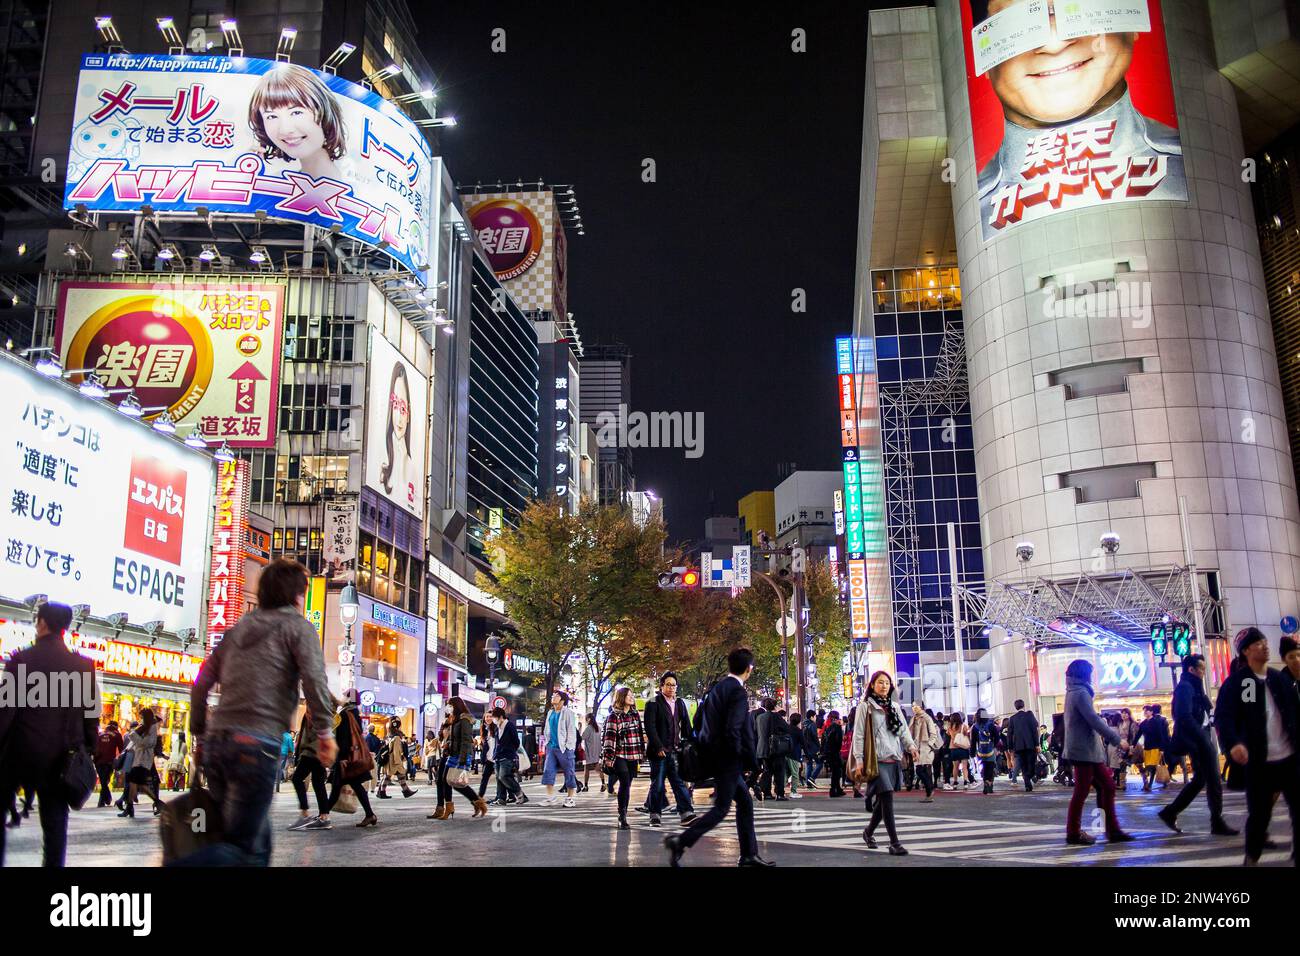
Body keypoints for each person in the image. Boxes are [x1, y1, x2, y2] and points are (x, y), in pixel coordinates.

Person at [970, 0, 1185, 237]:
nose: (1055, 43)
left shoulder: (1189, 167)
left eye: (1078, 6)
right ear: (984, 56)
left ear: (1133, 17)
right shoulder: (975, 214)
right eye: (1016, 22)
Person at [187, 558, 338, 865]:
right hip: (256, 743)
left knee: (257, 842)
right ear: (297, 595)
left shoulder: (239, 628)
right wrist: (324, 733)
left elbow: (201, 682)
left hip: (218, 742)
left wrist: (200, 733)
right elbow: (315, 681)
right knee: (242, 845)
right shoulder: (297, 626)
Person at [0, 602, 98, 867]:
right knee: (55, 833)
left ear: (42, 623)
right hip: (61, 760)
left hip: (19, 755)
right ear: (65, 628)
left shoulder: (20, 660)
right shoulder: (83, 667)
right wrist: (88, 748)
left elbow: (5, 713)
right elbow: (91, 717)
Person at [665, 648, 773, 867]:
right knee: (722, 808)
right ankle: (681, 841)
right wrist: (748, 760)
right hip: (728, 759)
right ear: (749, 669)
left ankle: (749, 854)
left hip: (715, 754)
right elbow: (736, 729)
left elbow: (701, 722)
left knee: (744, 802)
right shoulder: (737, 692)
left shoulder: (717, 689)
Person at [1214, 627, 1299, 866]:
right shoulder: (1243, 683)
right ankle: (1251, 859)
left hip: (1290, 759)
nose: (1265, 645)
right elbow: (1226, 717)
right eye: (1258, 643)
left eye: (1264, 641)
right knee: (1260, 818)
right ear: (1246, 651)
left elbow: (1295, 712)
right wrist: (1234, 744)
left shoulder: (1278, 679)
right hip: (1260, 764)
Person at [1157, 654, 1238, 837]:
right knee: (1214, 779)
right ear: (1191, 670)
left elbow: (1204, 709)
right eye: (1201, 668)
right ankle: (1216, 822)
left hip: (1198, 737)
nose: (1203, 671)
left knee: (1201, 779)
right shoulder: (1185, 687)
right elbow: (1182, 715)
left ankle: (1170, 812)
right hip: (1196, 739)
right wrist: (1201, 735)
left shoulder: (1194, 686)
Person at [1062, 659, 1132, 846]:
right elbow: (1093, 720)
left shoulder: (1073, 692)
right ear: (1085, 674)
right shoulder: (1081, 692)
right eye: (1090, 673)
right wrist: (1118, 740)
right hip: (1084, 750)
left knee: (1106, 787)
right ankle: (1074, 832)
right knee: (1084, 791)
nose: (1092, 676)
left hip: (1085, 750)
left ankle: (1111, 830)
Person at [853, 671, 918, 855]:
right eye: (880, 682)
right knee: (887, 796)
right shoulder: (865, 707)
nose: (884, 686)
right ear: (872, 685)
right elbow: (859, 736)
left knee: (883, 802)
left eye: (887, 683)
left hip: (893, 757)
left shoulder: (895, 707)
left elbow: (903, 731)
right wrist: (859, 760)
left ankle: (868, 832)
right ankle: (894, 843)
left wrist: (911, 747)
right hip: (876, 759)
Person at [247, 62, 347, 180]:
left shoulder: (360, 189)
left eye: (296, 112)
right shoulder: (280, 185)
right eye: (272, 116)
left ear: (324, 112)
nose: (285, 129)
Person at [642, 672, 697, 826]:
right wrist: (658, 746)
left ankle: (686, 813)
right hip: (658, 751)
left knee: (678, 783)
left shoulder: (679, 703)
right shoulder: (653, 703)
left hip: (675, 750)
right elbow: (650, 727)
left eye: (674, 685)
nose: (671, 687)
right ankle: (655, 814)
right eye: (668, 684)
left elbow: (686, 725)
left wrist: (692, 743)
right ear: (661, 686)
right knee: (657, 784)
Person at [324, 689, 378, 828]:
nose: (342, 697)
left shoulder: (346, 714)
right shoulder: (355, 714)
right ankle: (369, 814)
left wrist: (341, 757)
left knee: (337, 787)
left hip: (346, 759)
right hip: (353, 758)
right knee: (355, 786)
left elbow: (344, 738)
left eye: (345, 695)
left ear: (349, 698)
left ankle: (323, 815)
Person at [431, 697, 487, 820]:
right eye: (447, 705)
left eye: (450, 705)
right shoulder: (453, 719)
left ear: (456, 705)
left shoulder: (464, 719)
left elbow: (466, 740)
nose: (448, 707)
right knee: (447, 781)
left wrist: (462, 759)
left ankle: (477, 802)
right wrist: (447, 745)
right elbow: (452, 738)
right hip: (451, 754)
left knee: (455, 782)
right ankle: (451, 807)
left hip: (459, 755)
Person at [600, 687, 647, 829]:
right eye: (628, 695)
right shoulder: (613, 716)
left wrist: (641, 753)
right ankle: (622, 815)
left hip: (633, 753)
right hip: (619, 754)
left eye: (632, 695)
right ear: (621, 697)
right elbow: (609, 737)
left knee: (628, 784)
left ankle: (623, 813)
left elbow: (639, 733)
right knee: (625, 781)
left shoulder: (635, 714)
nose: (632, 697)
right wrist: (608, 758)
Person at [288, 707, 333, 831]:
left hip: (312, 752)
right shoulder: (317, 710)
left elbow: (315, 733)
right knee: (318, 783)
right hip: (317, 752)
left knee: (297, 778)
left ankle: (305, 814)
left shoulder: (316, 711)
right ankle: (324, 817)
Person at [119, 709, 164, 818]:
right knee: (137, 784)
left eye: (142, 717)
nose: (140, 719)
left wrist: (134, 736)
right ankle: (131, 807)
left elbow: (147, 743)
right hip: (138, 759)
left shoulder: (152, 727)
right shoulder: (144, 726)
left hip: (144, 760)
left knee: (137, 783)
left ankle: (156, 803)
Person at [540, 691, 579, 808]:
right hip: (551, 747)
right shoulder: (550, 712)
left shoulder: (568, 713)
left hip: (564, 748)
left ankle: (571, 797)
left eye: (556, 696)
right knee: (548, 771)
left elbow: (571, 731)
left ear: (562, 700)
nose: (553, 697)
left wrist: (569, 746)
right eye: (553, 696)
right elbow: (547, 729)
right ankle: (550, 797)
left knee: (569, 772)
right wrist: (547, 744)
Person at [490, 708, 527, 806]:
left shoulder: (509, 725)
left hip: (507, 756)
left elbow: (516, 742)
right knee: (499, 778)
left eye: (495, 717)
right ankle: (501, 798)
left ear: (501, 717)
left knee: (504, 776)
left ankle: (520, 794)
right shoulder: (497, 727)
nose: (494, 720)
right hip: (498, 756)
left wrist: (510, 751)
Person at [758, 698, 792, 801]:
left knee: (767, 771)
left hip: (763, 747)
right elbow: (787, 729)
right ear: (775, 706)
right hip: (776, 747)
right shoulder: (776, 716)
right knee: (779, 771)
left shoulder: (760, 717)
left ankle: (767, 793)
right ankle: (780, 794)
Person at [376, 721, 418, 799]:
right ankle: (383, 792)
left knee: (393, 776)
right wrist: (398, 761)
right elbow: (396, 751)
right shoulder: (397, 738)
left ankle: (405, 791)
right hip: (394, 761)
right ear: (397, 728)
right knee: (389, 776)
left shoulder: (389, 736)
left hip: (389, 760)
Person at [909, 702, 940, 802]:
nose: (914, 708)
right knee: (920, 770)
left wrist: (929, 745)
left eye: (916, 706)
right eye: (913, 706)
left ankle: (929, 791)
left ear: (921, 707)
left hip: (925, 747)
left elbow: (933, 734)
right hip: (917, 747)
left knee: (922, 770)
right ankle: (929, 792)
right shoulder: (914, 718)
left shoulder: (926, 718)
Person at [1008, 699, 1040, 793]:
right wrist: (1037, 744)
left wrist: (1010, 747)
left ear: (1015, 707)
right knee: (1031, 764)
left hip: (1018, 746)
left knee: (1023, 766)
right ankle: (1029, 779)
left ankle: (1027, 785)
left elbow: (1010, 734)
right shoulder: (1029, 715)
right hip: (1030, 745)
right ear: (1023, 705)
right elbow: (1034, 730)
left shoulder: (1012, 718)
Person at [1136, 705, 1170, 791]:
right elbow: (1138, 734)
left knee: (1152, 766)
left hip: (1155, 747)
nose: (1145, 712)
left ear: (1151, 712)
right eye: (1144, 711)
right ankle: (1153, 784)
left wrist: (1162, 748)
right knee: (1151, 766)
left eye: (1147, 711)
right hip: (1147, 747)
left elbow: (1160, 735)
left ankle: (1150, 784)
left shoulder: (1156, 722)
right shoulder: (1143, 723)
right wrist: (1133, 744)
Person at [94, 720, 124, 808]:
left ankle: (102, 801)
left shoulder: (100, 733)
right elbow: (121, 749)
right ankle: (106, 799)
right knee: (105, 781)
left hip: (98, 761)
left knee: (103, 781)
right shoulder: (117, 735)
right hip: (109, 761)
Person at [971, 708, 998, 794]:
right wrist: (994, 745)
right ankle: (990, 783)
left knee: (984, 768)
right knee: (991, 766)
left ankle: (985, 782)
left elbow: (973, 742)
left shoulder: (974, 727)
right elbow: (997, 737)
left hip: (981, 751)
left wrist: (972, 752)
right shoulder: (991, 725)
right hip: (990, 750)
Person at [822, 710, 846, 797]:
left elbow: (824, 740)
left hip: (828, 751)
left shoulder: (828, 727)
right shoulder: (837, 727)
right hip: (835, 751)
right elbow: (839, 741)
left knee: (835, 771)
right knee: (837, 771)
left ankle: (837, 788)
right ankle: (834, 789)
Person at [1116, 708, 1140, 790]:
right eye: (1122, 713)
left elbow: (1134, 737)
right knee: (1122, 764)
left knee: (1138, 764)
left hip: (1131, 746)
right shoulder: (1120, 723)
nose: (1124, 715)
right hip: (1122, 747)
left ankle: (1146, 782)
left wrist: (1131, 747)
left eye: (1126, 713)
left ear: (1129, 714)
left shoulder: (1133, 724)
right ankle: (1123, 784)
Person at [947, 713, 973, 790]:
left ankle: (955, 782)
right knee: (964, 767)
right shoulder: (963, 726)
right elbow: (967, 734)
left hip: (953, 748)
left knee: (955, 767)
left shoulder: (950, 727)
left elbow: (948, 734)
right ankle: (965, 782)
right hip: (963, 748)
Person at [581, 713, 603, 794]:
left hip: (589, 752)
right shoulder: (599, 728)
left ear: (589, 719)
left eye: (586, 718)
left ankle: (586, 786)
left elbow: (582, 737)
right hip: (597, 751)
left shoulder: (588, 728)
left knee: (586, 769)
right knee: (598, 768)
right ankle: (603, 783)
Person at [477, 717, 498, 799]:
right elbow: (485, 747)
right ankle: (479, 796)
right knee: (485, 777)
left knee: (501, 778)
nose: (488, 718)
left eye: (490, 717)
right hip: (489, 758)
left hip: (496, 757)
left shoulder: (496, 728)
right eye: (486, 717)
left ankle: (506, 796)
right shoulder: (485, 730)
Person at [787, 711, 805, 798]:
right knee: (795, 773)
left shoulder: (786, 728)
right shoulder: (798, 731)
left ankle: (779, 790)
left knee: (785, 773)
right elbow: (803, 743)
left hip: (784, 753)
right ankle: (793, 792)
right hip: (794, 754)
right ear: (798, 721)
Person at [802, 709, 822, 787]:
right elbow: (815, 737)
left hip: (806, 748)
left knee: (809, 764)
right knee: (820, 763)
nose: (815, 718)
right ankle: (812, 778)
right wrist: (819, 746)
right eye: (815, 716)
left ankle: (808, 782)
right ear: (811, 717)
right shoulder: (812, 725)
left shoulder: (804, 724)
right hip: (813, 748)